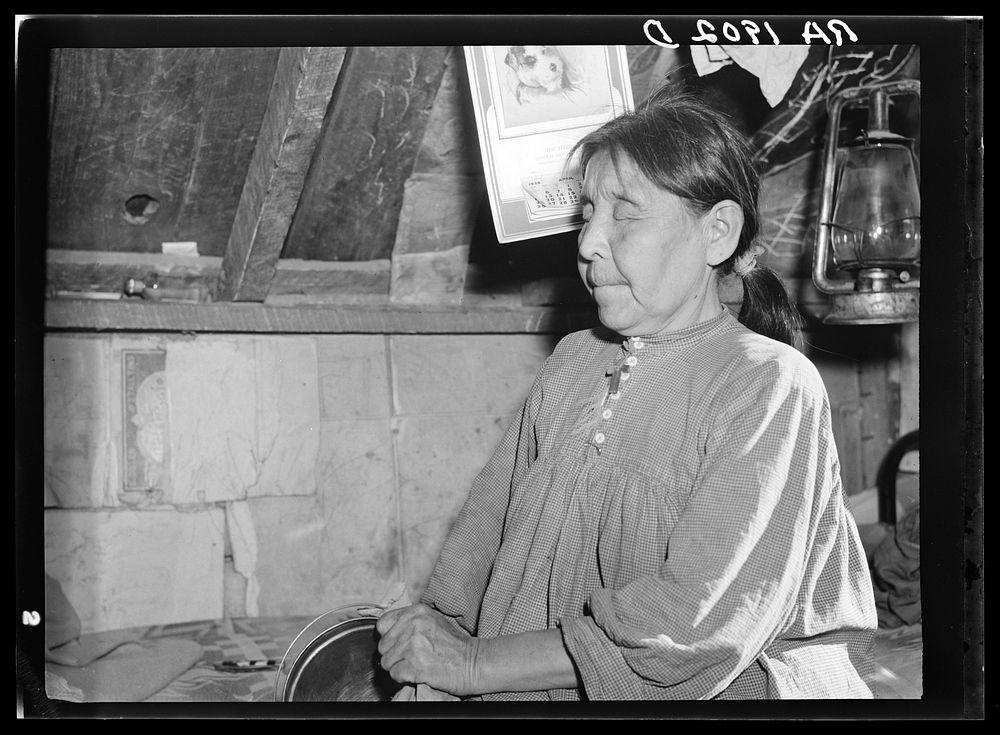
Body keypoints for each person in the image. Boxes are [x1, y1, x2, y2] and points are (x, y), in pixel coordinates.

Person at [376, 83, 878, 700]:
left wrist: (475, 664)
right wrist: (439, 630)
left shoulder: (768, 383)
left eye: (624, 212)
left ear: (717, 233)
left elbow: (689, 626)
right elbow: (485, 526)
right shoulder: (574, 361)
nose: (587, 242)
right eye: (587, 212)